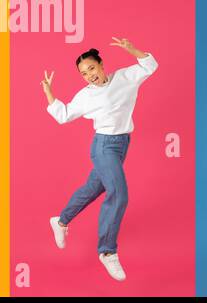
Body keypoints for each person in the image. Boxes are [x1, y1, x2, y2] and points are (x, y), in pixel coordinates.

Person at [43, 38, 159, 282]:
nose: (89, 75)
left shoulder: (125, 78)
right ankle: (107, 251)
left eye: (92, 69)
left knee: (92, 188)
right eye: (84, 73)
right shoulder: (86, 95)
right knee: (118, 193)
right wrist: (50, 94)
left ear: (101, 64)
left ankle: (61, 220)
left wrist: (132, 50)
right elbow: (63, 115)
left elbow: (150, 65)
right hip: (103, 146)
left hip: (122, 145)